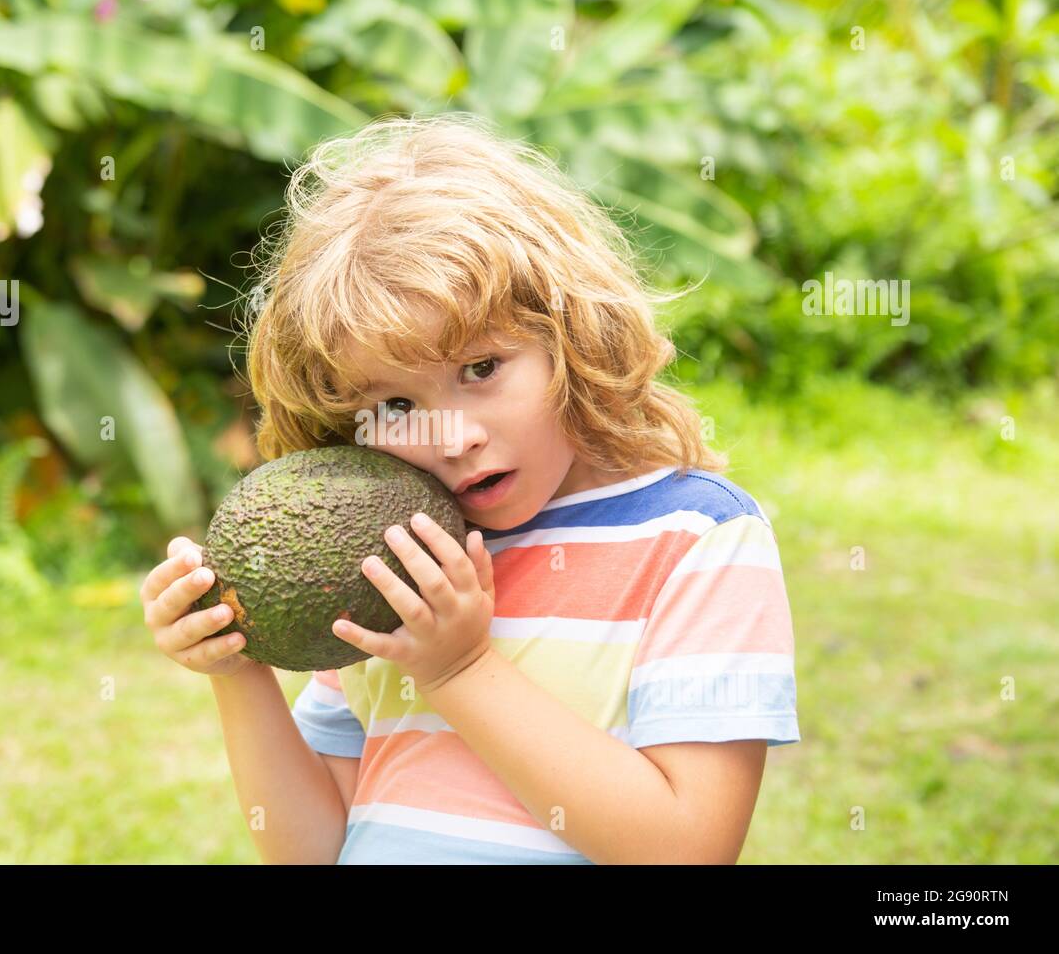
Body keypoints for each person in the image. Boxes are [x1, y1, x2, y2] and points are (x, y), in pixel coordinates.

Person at [141, 111, 800, 864]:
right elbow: (312, 850)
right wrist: (240, 670)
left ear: (571, 338)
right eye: (394, 406)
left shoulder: (695, 541)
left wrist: (459, 670)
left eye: (481, 370)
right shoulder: (380, 563)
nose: (451, 437)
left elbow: (686, 850)